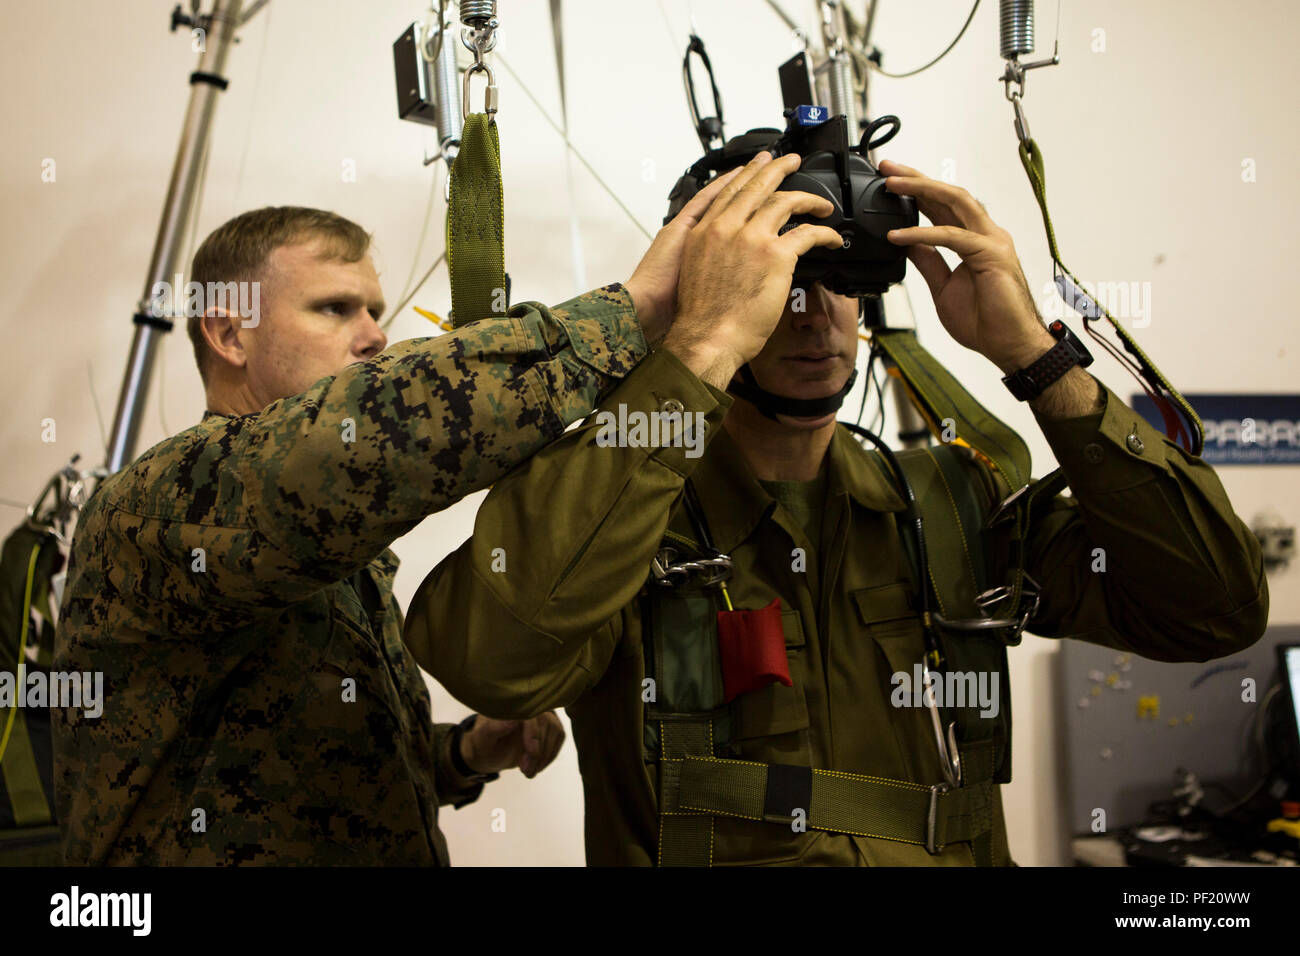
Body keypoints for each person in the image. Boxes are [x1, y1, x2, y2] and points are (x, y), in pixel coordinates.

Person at [404, 158, 1270, 866]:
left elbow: (1215, 609)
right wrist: (695, 348)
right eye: (781, 282)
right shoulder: (628, 516)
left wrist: (1036, 358)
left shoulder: (945, 505)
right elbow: (493, 664)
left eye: (841, 278)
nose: (816, 317)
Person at [52, 153, 847, 865]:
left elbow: (315, 785)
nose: (374, 335)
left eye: (375, 309)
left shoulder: (310, 552)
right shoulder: (158, 508)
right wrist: (638, 313)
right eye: (334, 309)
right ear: (228, 334)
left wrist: (465, 752)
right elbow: (376, 440)